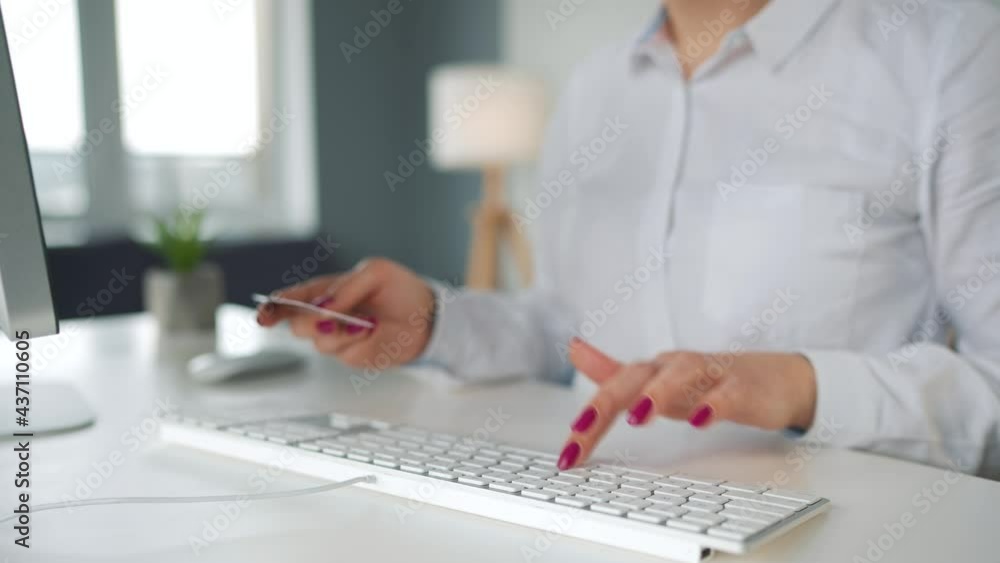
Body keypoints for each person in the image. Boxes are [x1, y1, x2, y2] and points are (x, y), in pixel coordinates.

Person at [259, 0, 1000, 479]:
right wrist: (435, 321)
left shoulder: (947, 52)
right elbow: (565, 335)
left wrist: (802, 386)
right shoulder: (593, 90)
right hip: (595, 509)